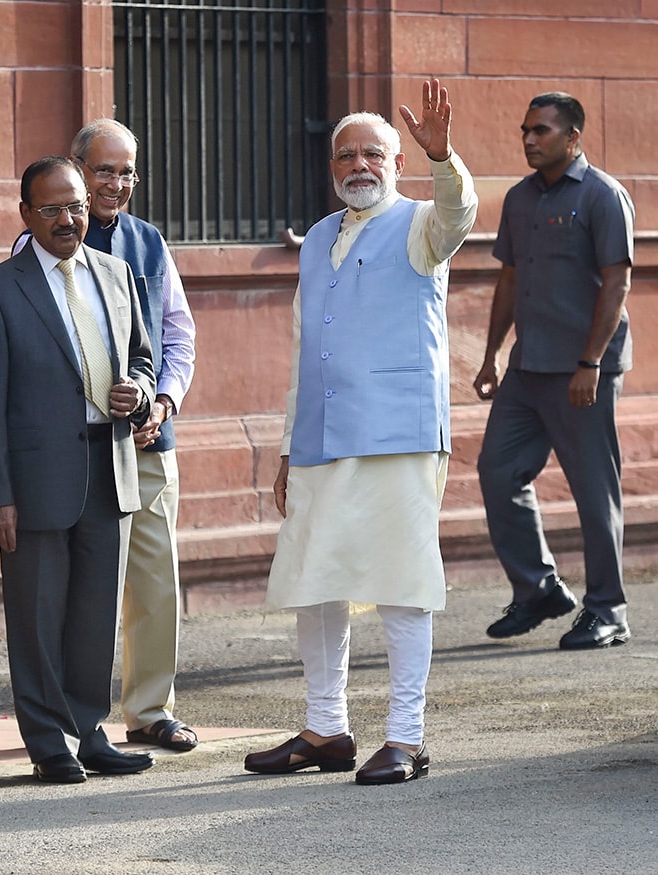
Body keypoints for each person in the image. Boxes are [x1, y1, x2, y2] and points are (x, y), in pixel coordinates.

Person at [243, 79, 477, 785]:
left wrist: (443, 158)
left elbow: (459, 212)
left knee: (402, 582)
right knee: (314, 580)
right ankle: (326, 728)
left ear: (397, 163)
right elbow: (303, 349)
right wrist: (287, 448)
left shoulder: (421, 223)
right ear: (331, 167)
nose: (359, 166)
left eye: (373, 154)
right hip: (320, 438)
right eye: (346, 155)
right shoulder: (317, 238)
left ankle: (406, 737)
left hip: (398, 434)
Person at [0, 156, 157, 784]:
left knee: (95, 616)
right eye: (52, 209)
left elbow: (143, 357)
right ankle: (48, 743)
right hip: (34, 480)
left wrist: (140, 392)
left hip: (110, 465)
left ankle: (89, 732)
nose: (68, 219)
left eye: (75, 206)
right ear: (26, 214)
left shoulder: (117, 274)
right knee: (38, 616)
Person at [14, 119, 198, 751]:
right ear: (76, 169)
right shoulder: (36, 244)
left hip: (146, 444)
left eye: (127, 172)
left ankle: (150, 711)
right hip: (70, 452)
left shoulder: (149, 242)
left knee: (156, 581)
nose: (116, 184)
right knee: (72, 589)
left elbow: (177, 333)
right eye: (104, 171)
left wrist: (163, 402)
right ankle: (66, 721)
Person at [474, 93, 635, 650]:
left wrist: (591, 362)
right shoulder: (519, 198)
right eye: (525, 130)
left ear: (573, 137)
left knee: (594, 491)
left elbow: (617, 283)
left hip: (581, 371)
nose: (528, 139)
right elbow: (510, 279)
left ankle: (608, 610)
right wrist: (493, 354)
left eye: (540, 130)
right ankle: (538, 589)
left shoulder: (602, 195)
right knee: (498, 472)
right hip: (527, 367)